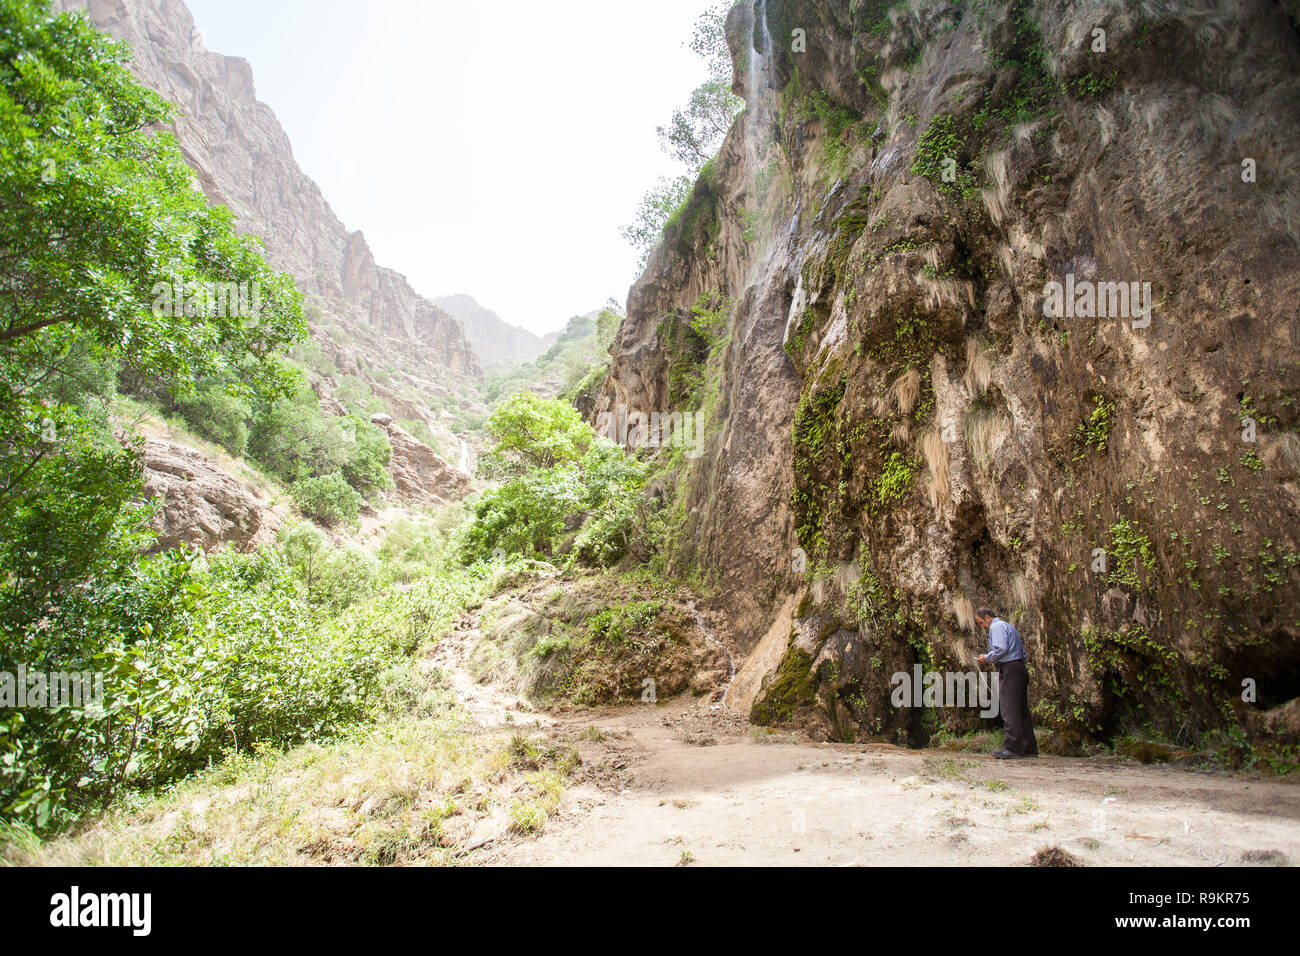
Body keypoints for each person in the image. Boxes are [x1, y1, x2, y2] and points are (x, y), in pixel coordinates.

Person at [976, 608, 1038, 758]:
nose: (982, 626)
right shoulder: (1007, 626)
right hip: (1019, 668)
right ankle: (1028, 748)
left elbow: (1001, 648)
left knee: (1009, 708)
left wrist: (987, 657)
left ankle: (1013, 748)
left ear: (987, 617)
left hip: (1010, 668)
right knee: (1021, 710)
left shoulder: (996, 627)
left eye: (981, 622)